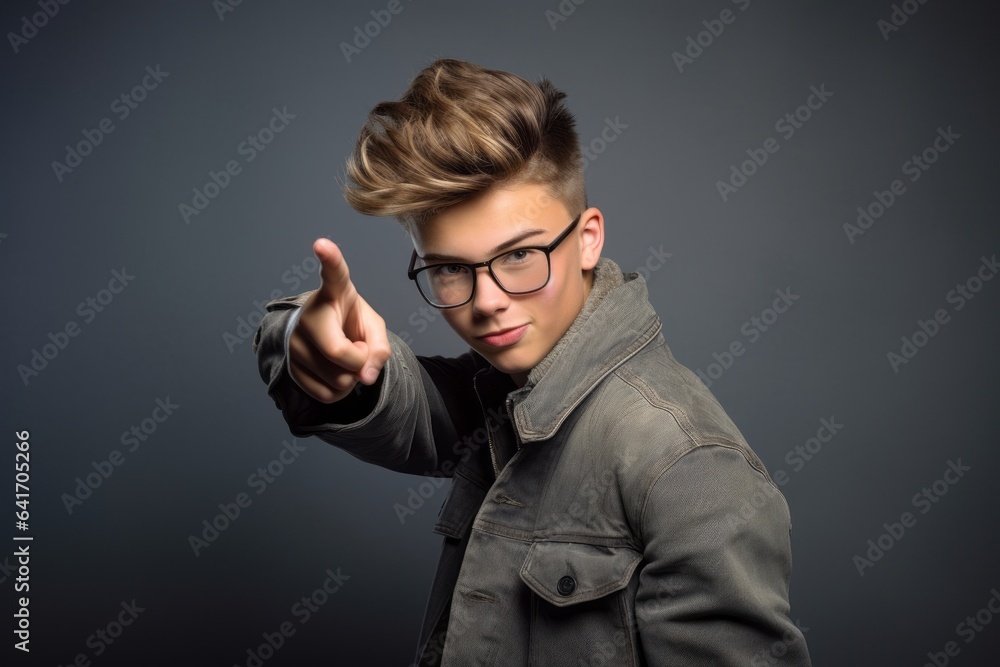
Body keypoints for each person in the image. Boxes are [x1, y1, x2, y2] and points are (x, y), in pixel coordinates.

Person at [252, 57, 811, 666]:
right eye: (448, 270)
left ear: (589, 237)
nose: (487, 303)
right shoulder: (506, 392)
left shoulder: (687, 465)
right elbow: (404, 402)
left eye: (519, 256)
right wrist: (306, 340)